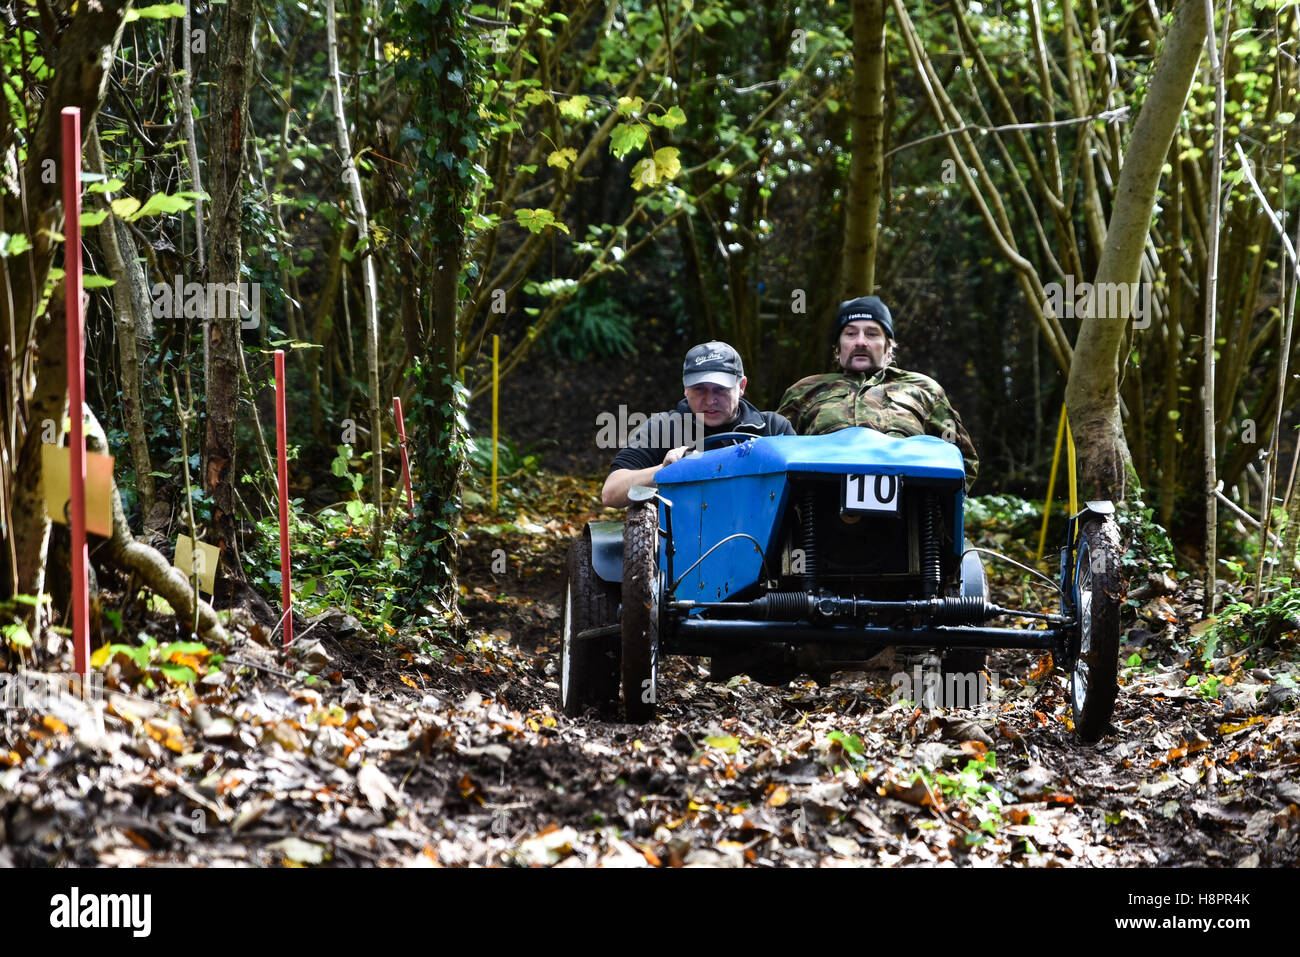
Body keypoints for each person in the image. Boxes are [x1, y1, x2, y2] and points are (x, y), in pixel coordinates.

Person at [777, 295, 979, 489]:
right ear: (837, 348)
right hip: (818, 511)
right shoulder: (804, 390)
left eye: (872, 334)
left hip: (909, 512)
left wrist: (933, 511)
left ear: (889, 347)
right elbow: (777, 457)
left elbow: (961, 460)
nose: (861, 342)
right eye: (850, 333)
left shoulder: (923, 389)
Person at [602, 341, 795, 507]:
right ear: (685, 389)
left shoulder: (773, 428)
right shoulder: (665, 427)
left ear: (741, 386)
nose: (710, 400)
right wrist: (664, 471)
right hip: (681, 540)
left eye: (720, 389)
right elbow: (610, 493)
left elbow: (807, 490)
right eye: (699, 389)